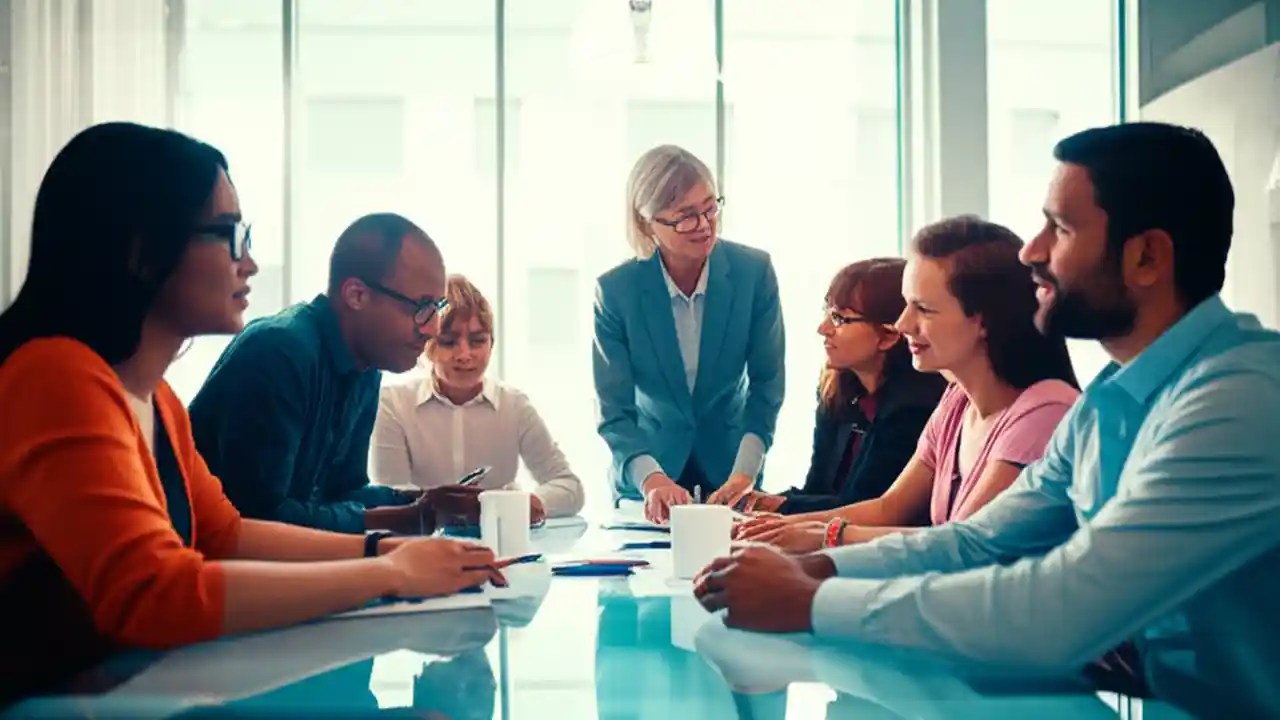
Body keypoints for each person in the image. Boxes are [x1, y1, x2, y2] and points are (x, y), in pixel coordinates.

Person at [694, 122, 1280, 718]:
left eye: (1062, 228)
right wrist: (814, 565)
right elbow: (980, 540)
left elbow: (1063, 605)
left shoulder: (1237, 402)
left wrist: (810, 600)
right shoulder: (1111, 400)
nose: (1031, 252)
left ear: (1147, 256)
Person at [0, 123, 503, 704]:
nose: (251, 264)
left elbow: (227, 534)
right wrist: (390, 572)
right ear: (141, 249)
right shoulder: (56, 376)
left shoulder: (156, 399)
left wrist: (393, 548)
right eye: (230, 237)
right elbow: (155, 594)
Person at [737, 217, 1079, 552]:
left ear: (984, 321)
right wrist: (779, 527)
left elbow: (962, 545)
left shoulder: (1044, 413)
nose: (902, 324)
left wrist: (824, 536)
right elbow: (890, 507)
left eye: (923, 309)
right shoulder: (957, 400)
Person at [188, 213, 480, 534]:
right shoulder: (279, 352)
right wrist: (411, 516)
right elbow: (257, 518)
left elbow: (342, 493)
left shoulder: (367, 365)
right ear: (356, 295)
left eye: (437, 308)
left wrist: (431, 502)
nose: (433, 328)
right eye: (421, 308)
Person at [594, 145, 785, 523]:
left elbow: (767, 388)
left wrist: (745, 472)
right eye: (685, 216)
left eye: (711, 207)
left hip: (732, 473)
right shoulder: (617, 291)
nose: (704, 224)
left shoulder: (754, 273)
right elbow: (614, 412)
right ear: (647, 222)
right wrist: (652, 479)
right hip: (650, 476)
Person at [725, 258, 947, 515]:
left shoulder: (915, 408)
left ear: (889, 335)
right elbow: (817, 489)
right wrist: (754, 502)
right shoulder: (839, 391)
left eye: (840, 319)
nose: (823, 329)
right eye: (827, 312)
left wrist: (775, 505)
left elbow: (866, 506)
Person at [371, 274, 585, 520]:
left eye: (477, 341)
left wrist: (528, 503)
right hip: (421, 547)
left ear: (491, 344)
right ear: (427, 347)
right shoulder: (393, 404)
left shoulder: (514, 405)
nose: (465, 354)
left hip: (502, 545)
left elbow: (570, 486)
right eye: (449, 342)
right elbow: (390, 496)